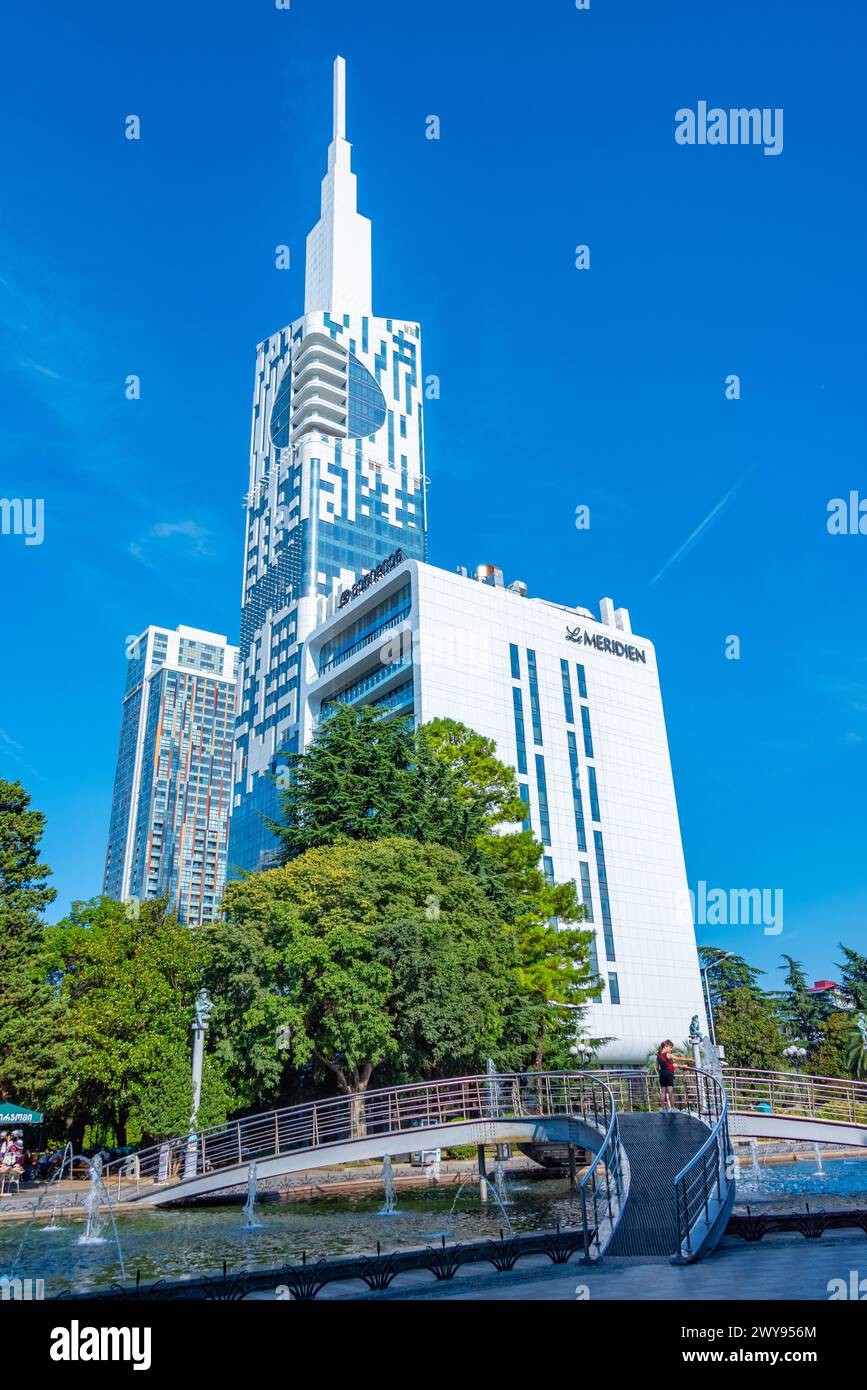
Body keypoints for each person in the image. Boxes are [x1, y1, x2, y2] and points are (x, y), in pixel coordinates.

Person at [656, 1039, 693, 1112]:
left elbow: (657, 1067)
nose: (671, 1049)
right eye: (670, 1047)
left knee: (663, 1092)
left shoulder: (658, 1056)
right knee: (670, 1092)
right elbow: (678, 1058)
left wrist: (660, 1072)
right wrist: (688, 1059)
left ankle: (662, 1109)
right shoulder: (668, 1054)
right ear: (665, 1046)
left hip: (662, 1073)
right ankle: (672, 1108)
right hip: (668, 1073)